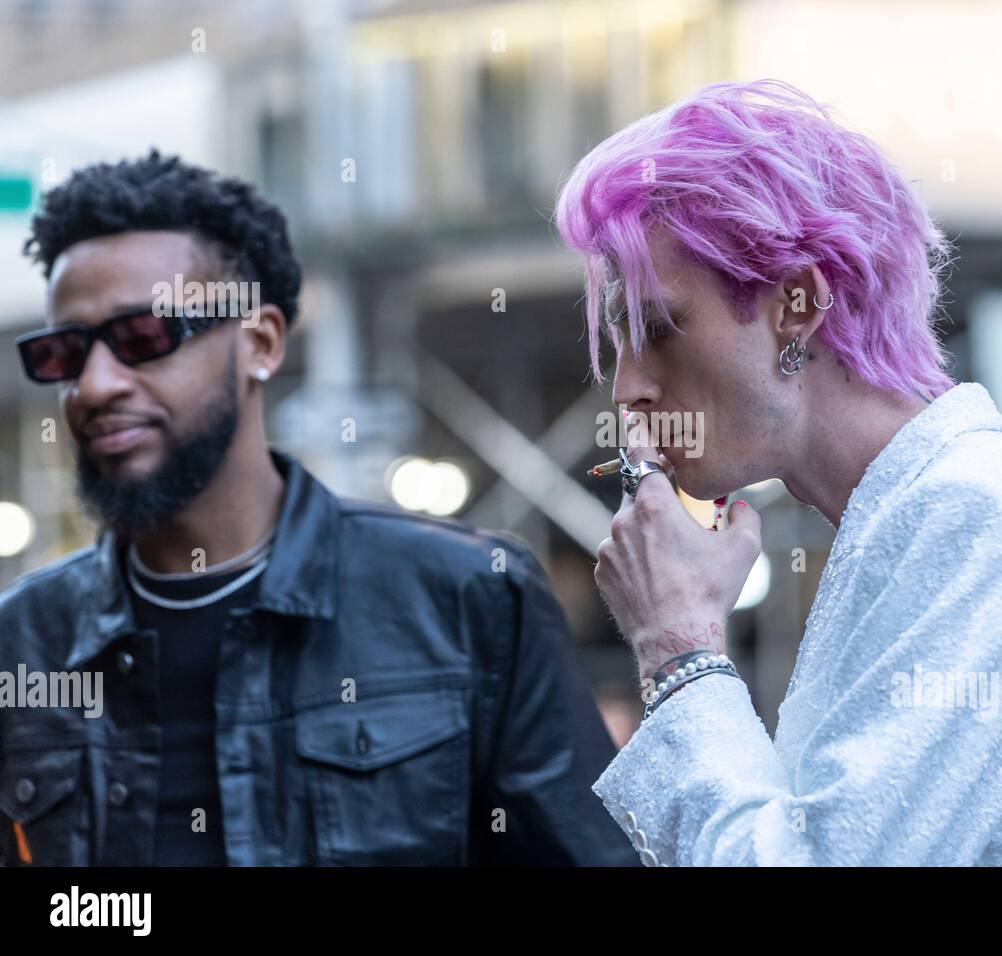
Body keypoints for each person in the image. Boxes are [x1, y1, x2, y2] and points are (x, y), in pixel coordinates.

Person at [554, 79, 1002, 866]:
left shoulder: (972, 521)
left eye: (661, 329)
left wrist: (678, 646)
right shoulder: (929, 514)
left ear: (797, 305)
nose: (629, 384)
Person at [1, 151, 636, 866]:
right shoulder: (22, 642)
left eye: (143, 338)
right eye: (64, 353)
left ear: (260, 342)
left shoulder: (469, 598)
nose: (94, 384)